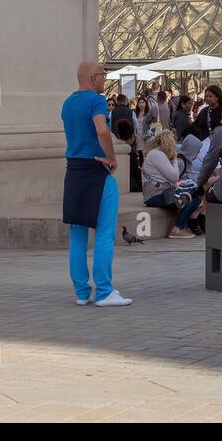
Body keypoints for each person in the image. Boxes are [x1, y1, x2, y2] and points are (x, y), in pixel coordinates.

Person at [62, 61, 130, 307]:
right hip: (96, 171)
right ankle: (104, 291)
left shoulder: (68, 103)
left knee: (78, 235)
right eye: (103, 75)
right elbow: (102, 130)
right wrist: (111, 157)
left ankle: (81, 292)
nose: (105, 79)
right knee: (104, 233)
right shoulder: (96, 101)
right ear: (92, 77)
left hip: (74, 171)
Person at [141, 130, 203, 239]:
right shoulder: (157, 155)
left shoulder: (156, 153)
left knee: (194, 195)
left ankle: (181, 226)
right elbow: (174, 177)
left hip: (158, 194)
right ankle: (177, 229)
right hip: (155, 196)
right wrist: (174, 158)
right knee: (193, 196)